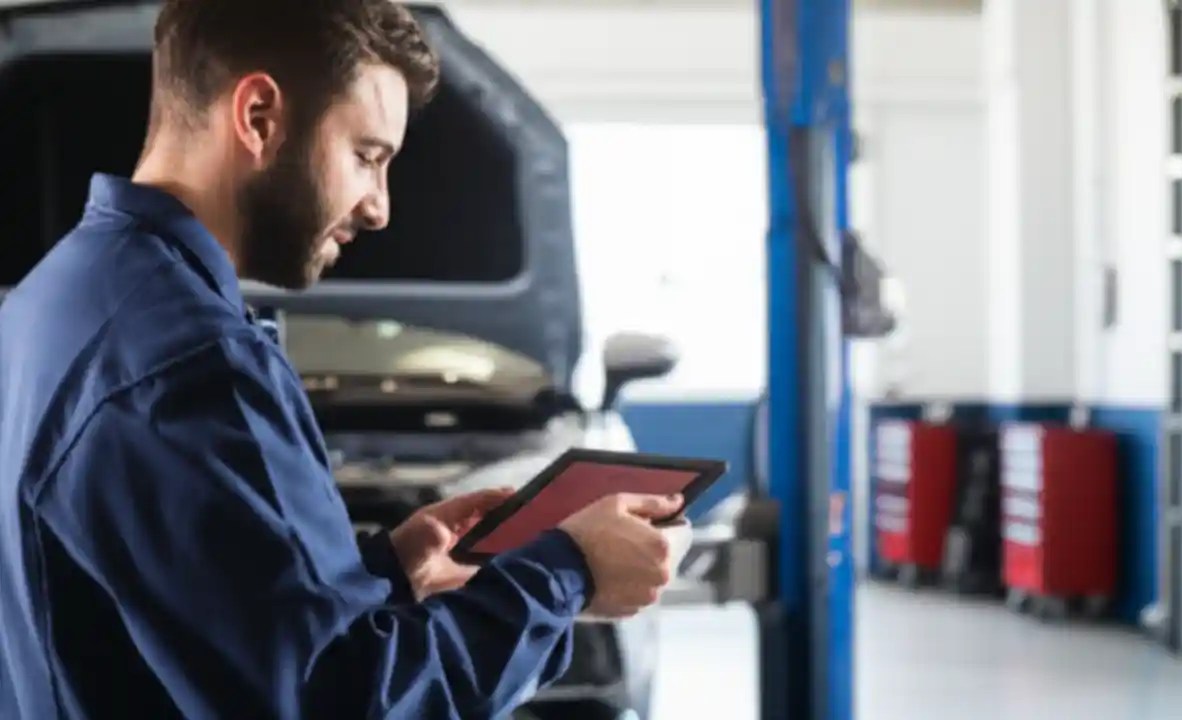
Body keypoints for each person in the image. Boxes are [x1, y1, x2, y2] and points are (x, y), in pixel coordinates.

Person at [0, 1, 680, 718]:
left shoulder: (53, 301)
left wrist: (387, 575)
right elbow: (343, 701)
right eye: (367, 156)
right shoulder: (192, 366)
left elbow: (191, 618)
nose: (379, 207)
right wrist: (567, 573)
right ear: (259, 116)